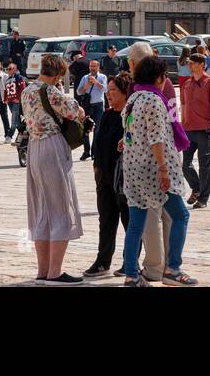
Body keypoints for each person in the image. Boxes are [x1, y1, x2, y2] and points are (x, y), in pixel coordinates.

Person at [120, 55, 196, 286]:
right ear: (159, 78)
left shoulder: (133, 98)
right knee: (181, 215)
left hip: (133, 168)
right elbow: (156, 138)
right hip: (154, 168)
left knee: (136, 223)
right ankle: (172, 269)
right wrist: (164, 169)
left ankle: (132, 274)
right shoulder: (154, 100)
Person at [22, 53, 86, 283]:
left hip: (35, 148)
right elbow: (72, 111)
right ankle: (55, 271)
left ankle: (43, 270)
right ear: (58, 73)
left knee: (42, 210)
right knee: (60, 208)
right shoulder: (50, 91)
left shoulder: (27, 90)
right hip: (52, 146)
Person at [84, 72, 132, 278]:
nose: (109, 95)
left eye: (113, 91)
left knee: (129, 220)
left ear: (124, 92)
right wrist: (97, 168)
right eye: (108, 90)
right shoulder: (107, 114)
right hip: (103, 176)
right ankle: (103, 261)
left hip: (123, 178)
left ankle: (130, 262)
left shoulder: (129, 116)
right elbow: (100, 144)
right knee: (106, 219)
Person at [178, 54, 210, 208]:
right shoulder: (187, 84)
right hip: (188, 128)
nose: (189, 66)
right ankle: (196, 187)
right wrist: (181, 123)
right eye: (189, 63)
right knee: (185, 164)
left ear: (202, 64)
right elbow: (183, 104)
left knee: (205, 164)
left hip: (204, 128)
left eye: (193, 63)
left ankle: (203, 198)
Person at [76, 59, 108, 161]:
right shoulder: (85, 78)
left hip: (98, 105)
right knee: (85, 129)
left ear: (98, 67)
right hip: (87, 106)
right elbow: (78, 92)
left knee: (97, 130)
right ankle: (86, 151)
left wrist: (96, 82)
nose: (92, 68)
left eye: (94, 66)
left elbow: (105, 89)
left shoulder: (102, 77)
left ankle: (95, 152)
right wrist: (86, 87)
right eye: (91, 66)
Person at [3, 62, 27, 137]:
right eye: (7, 69)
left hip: (16, 102)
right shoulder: (7, 79)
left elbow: (23, 88)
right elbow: (5, 90)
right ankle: (21, 132)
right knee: (17, 120)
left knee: (13, 119)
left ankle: (9, 136)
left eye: (10, 69)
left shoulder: (19, 77)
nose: (8, 70)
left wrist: (18, 99)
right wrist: (5, 99)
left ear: (14, 69)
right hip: (10, 102)